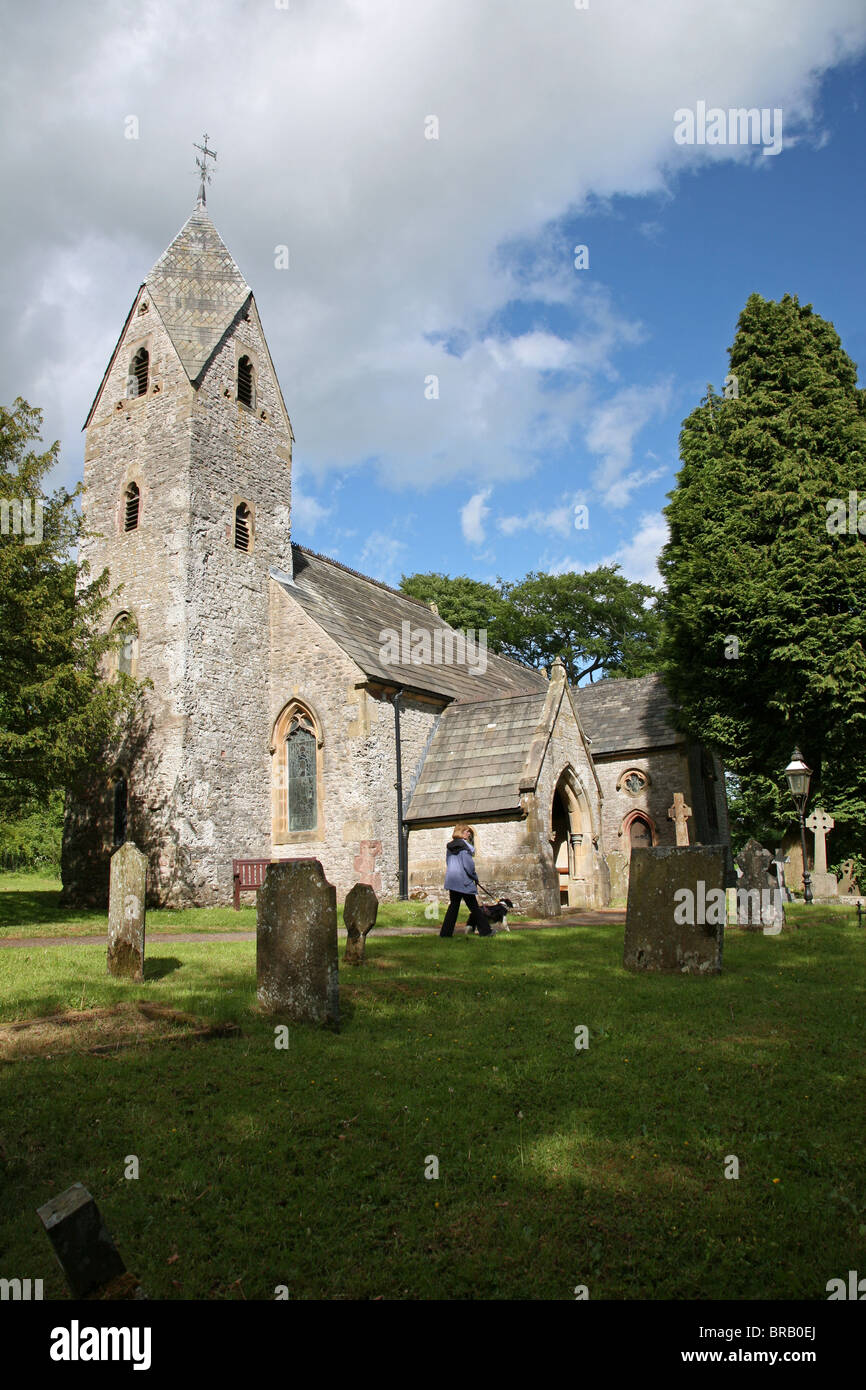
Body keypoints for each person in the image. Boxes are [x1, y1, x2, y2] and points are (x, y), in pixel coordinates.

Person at [439, 823, 494, 937]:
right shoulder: (464, 848)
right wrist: (474, 877)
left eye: (469, 831)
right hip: (464, 882)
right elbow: (468, 866)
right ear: (461, 833)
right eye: (467, 831)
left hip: (453, 882)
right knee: (474, 908)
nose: (469, 833)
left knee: (453, 908)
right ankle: (486, 931)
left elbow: (449, 863)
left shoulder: (450, 847)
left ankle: (445, 934)